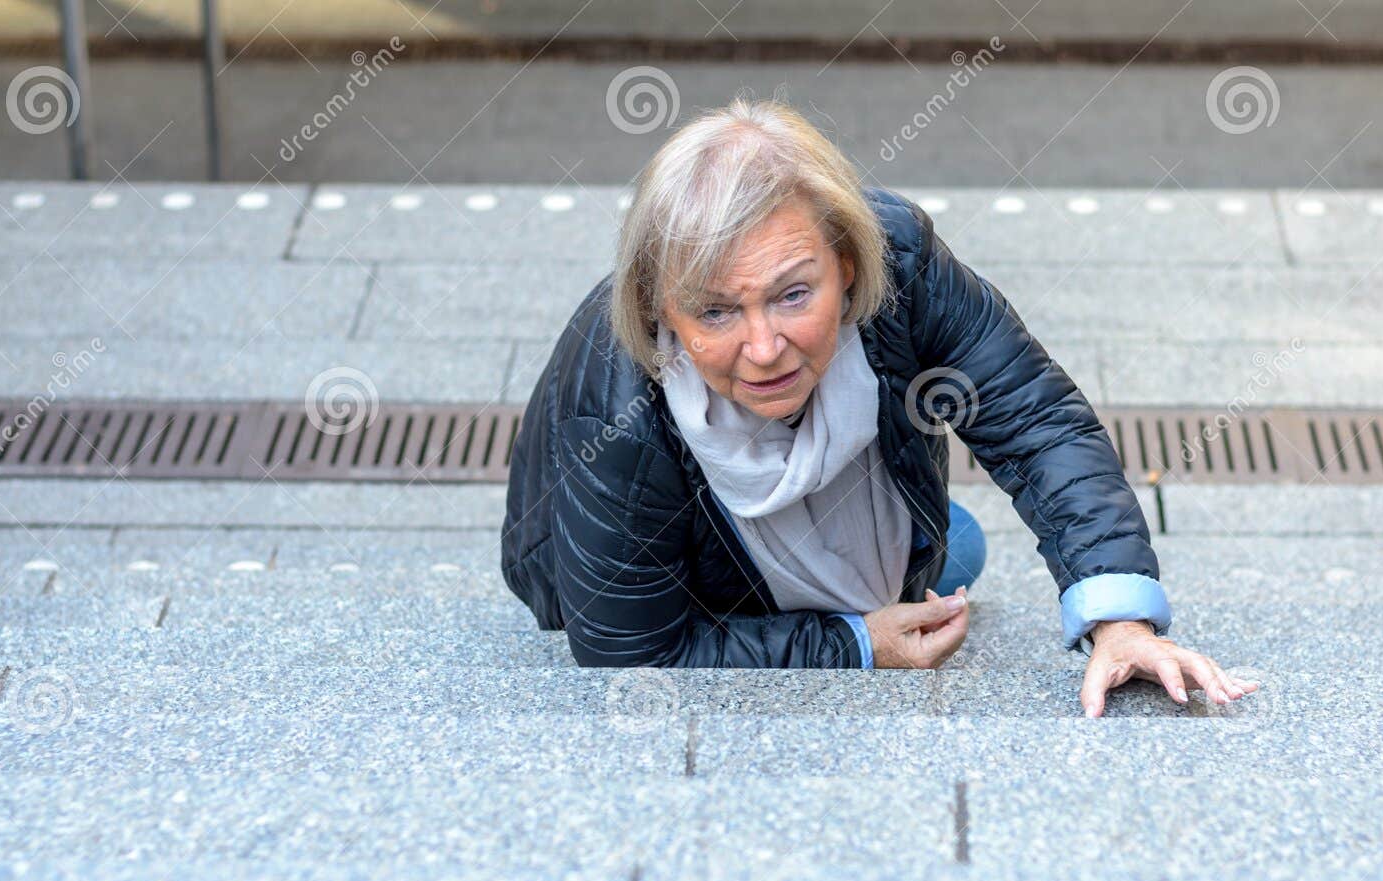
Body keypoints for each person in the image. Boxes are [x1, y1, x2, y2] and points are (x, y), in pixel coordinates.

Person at [501, 96, 1258, 717]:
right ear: (660, 305)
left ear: (850, 262)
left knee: (957, 554)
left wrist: (1117, 616)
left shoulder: (899, 258)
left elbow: (1035, 419)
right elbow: (630, 654)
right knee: (934, 568)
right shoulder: (616, 408)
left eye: (794, 294)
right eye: (717, 313)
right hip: (675, 573)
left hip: (849, 519)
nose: (764, 348)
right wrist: (856, 645)